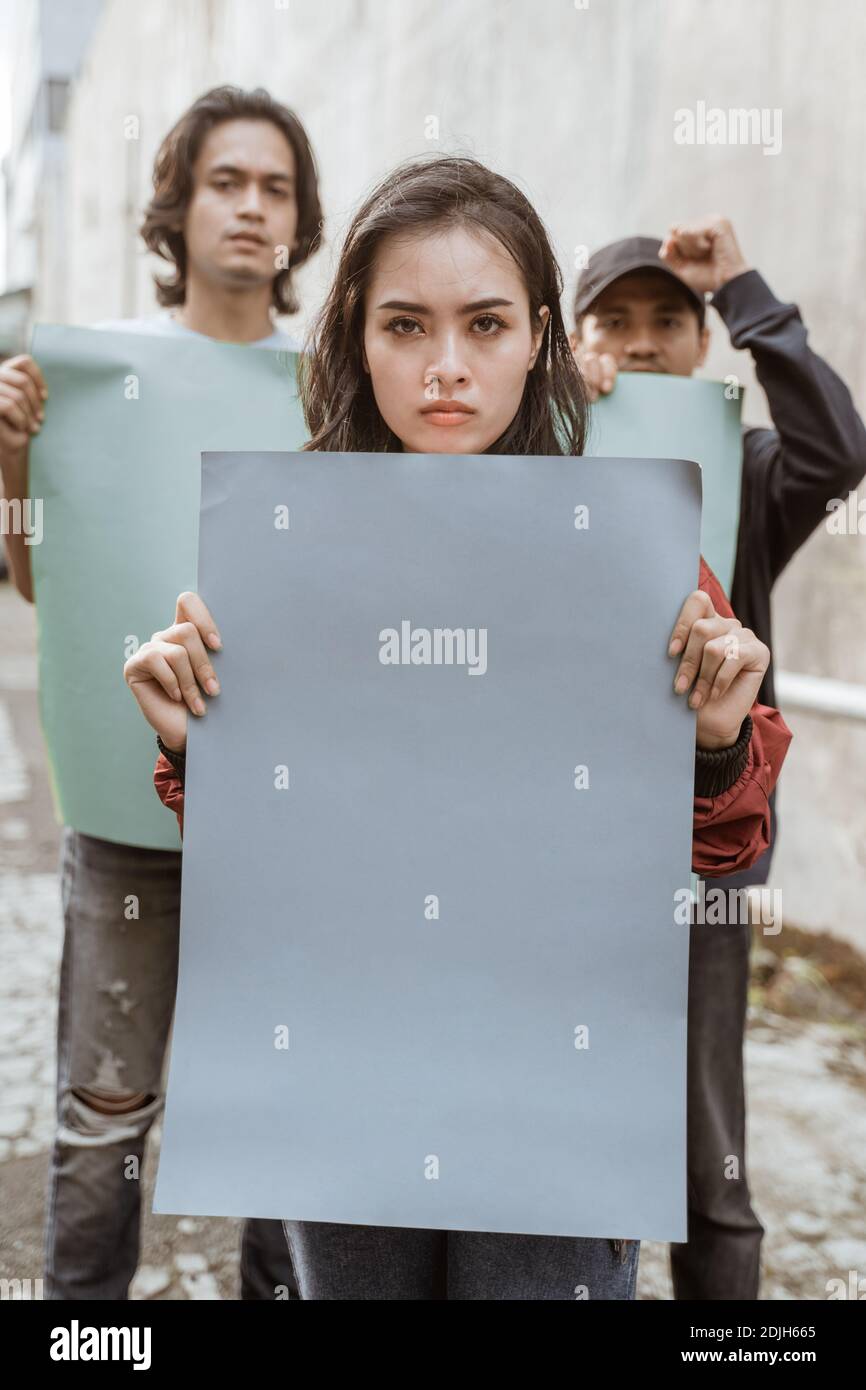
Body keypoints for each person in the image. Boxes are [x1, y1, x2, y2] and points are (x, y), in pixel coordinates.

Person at [123, 156, 792, 1300]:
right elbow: (264, 847)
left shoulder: (630, 556)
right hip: (342, 1071)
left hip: (561, 1084)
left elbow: (725, 845)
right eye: (404, 324)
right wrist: (193, 742)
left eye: (482, 324)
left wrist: (717, 744)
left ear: (536, 336)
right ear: (354, 335)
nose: (444, 368)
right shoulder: (282, 554)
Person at [0, 85, 322, 1300]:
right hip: (131, 822)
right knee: (104, 1118)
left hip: (290, 815)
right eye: (225, 181)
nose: (249, 206)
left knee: (283, 1114)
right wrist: (13, 455)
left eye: (275, 186)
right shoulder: (92, 373)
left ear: (299, 220)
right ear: (176, 207)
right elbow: (43, 586)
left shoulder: (336, 377)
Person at [570, 219, 866, 1299]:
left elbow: (837, 449)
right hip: (568, 837)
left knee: (703, 1128)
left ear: (701, 341)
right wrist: (559, 402)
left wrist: (743, 291)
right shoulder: (547, 442)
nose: (642, 345)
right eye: (615, 322)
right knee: (571, 1106)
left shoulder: (741, 469)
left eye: (667, 321)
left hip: (709, 834)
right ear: (574, 337)